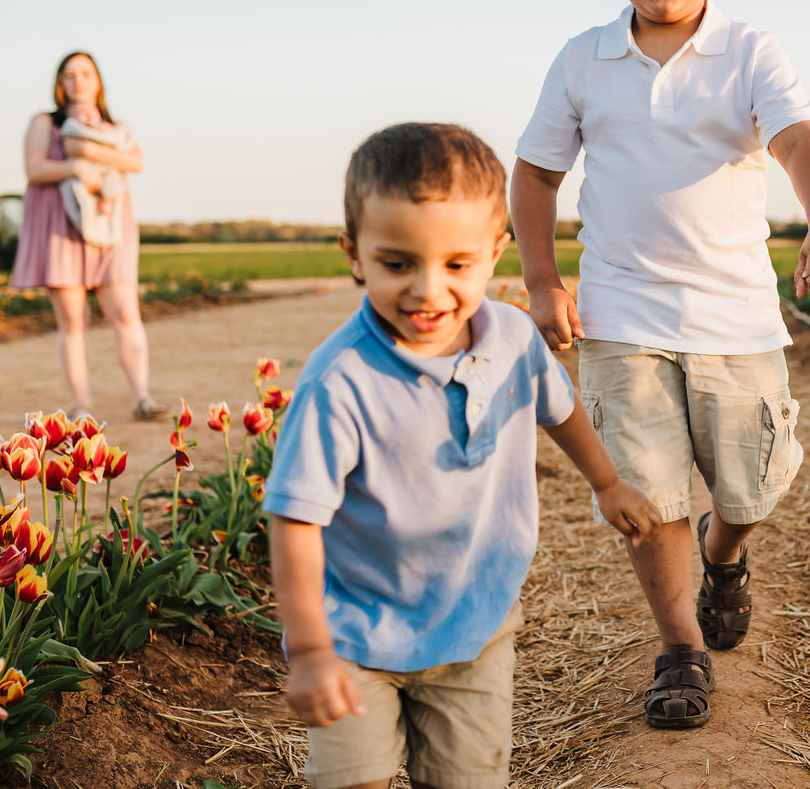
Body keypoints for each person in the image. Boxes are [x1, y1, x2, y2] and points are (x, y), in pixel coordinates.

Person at [511, 0, 810, 729]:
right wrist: (544, 279)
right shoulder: (583, 58)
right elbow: (536, 174)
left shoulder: (749, 50)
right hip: (621, 313)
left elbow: (800, 138)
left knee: (748, 489)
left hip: (735, 314)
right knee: (648, 493)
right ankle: (679, 647)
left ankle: (724, 551)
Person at [266, 123, 660, 789]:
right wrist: (307, 650)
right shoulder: (340, 381)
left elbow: (559, 408)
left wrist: (608, 482)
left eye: (456, 265)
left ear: (496, 252)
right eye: (397, 264)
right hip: (355, 636)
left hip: (476, 623)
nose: (428, 291)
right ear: (354, 254)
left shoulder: (513, 338)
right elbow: (295, 519)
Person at [10, 51, 167, 422]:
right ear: (59, 83)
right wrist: (75, 165)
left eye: (85, 73)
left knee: (125, 310)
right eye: (69, 74)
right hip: (59, 226)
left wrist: (85, 147)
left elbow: (136, 162)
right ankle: (81, 405)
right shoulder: (45, 123)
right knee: (72, 319)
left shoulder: (118, 126)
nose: (78, 80)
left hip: (111, 227)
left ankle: (142, 398)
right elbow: (34, 169)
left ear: (98, 81)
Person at [59, 102, 134, 247]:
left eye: (91, 112)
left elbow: (118, 142)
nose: (87, 116)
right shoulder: (75, 130)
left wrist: (97, 139)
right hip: (84, 173)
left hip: (105, 169)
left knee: (113, 181)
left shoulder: (107, 127)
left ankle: (106, 201)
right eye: (80, 114)